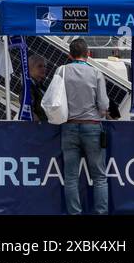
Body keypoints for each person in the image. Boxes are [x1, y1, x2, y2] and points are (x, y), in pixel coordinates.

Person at [59, 39, 110, 214]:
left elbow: (54, 99)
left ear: (69, 55)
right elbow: (103, 106)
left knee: (71, 178)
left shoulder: (62, 71)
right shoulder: (96, 73)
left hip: (69, 127)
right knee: (99, 177)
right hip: (92, 127)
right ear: (88, 54)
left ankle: (74, 213)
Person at [27, 55, 49, 122]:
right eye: (39, 66)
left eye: (45, 66)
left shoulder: (43, 87)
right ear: (30, 68)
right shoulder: (28, 87)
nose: (44, 69)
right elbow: (28, 110)